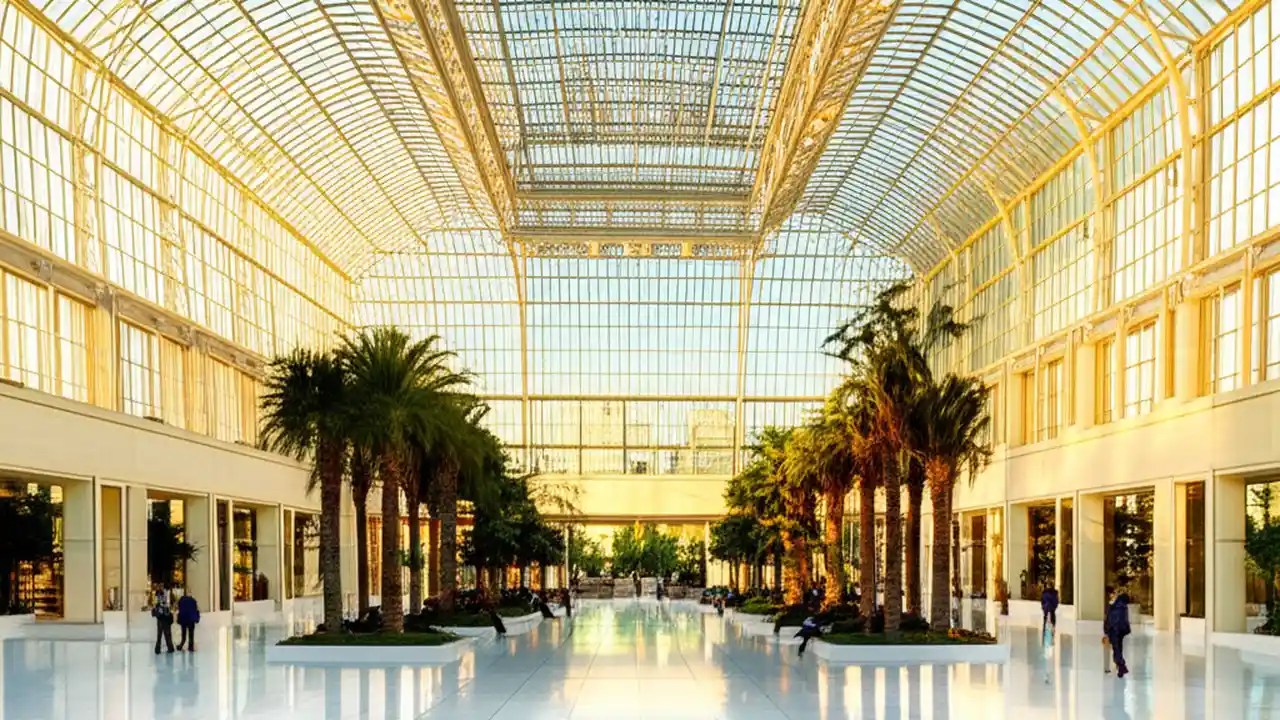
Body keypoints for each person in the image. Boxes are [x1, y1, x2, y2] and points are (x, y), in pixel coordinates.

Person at [1104, 592, 1132, 677]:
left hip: (1114, 630)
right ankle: (1120, 666)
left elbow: (1110, 619)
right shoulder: (1123, 606)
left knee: (1116, 648)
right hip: (1121, 630)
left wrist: (1107, 630)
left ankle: (1121, 665)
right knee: (1118, 648)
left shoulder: (1115, 606)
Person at [152, 587, 175, 655]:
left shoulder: (158, 601)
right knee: (167, 634)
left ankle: (157, 649)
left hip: (160, 619)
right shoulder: (166, 599)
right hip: (166, 619)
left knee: (159, 635)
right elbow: (168, 608)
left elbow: (156, 609)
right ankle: (170, 648)